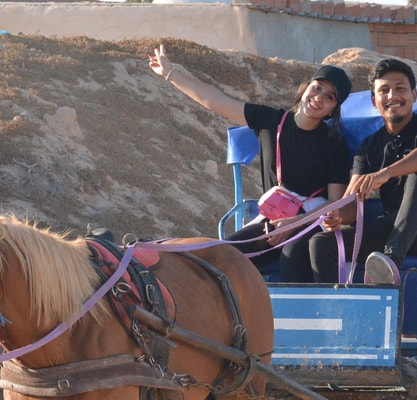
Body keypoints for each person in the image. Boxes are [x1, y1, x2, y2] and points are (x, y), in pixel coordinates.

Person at [147, 44, 352, 282]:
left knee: (293, 255)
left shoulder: (334, 144)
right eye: (317, 88)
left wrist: (294, 223)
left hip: (309, 222)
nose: (318, 98)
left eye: (329, 97)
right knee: (219, 255)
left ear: (333, 110)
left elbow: (334, 204)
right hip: (273, 219)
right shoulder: (270, 121)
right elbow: (214, 99)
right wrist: (171, 73)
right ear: (306, 87)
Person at [309, 58, 417, 285]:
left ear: (414, 95)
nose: (392, 96)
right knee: (321, 242)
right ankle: (332, 311)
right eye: (384, 90)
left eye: (400, 89)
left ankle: (390, 262)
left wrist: (385, 173)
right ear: (374, 99)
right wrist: (338, 215)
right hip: (394, 229)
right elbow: (351, 202)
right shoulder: (368, 148)